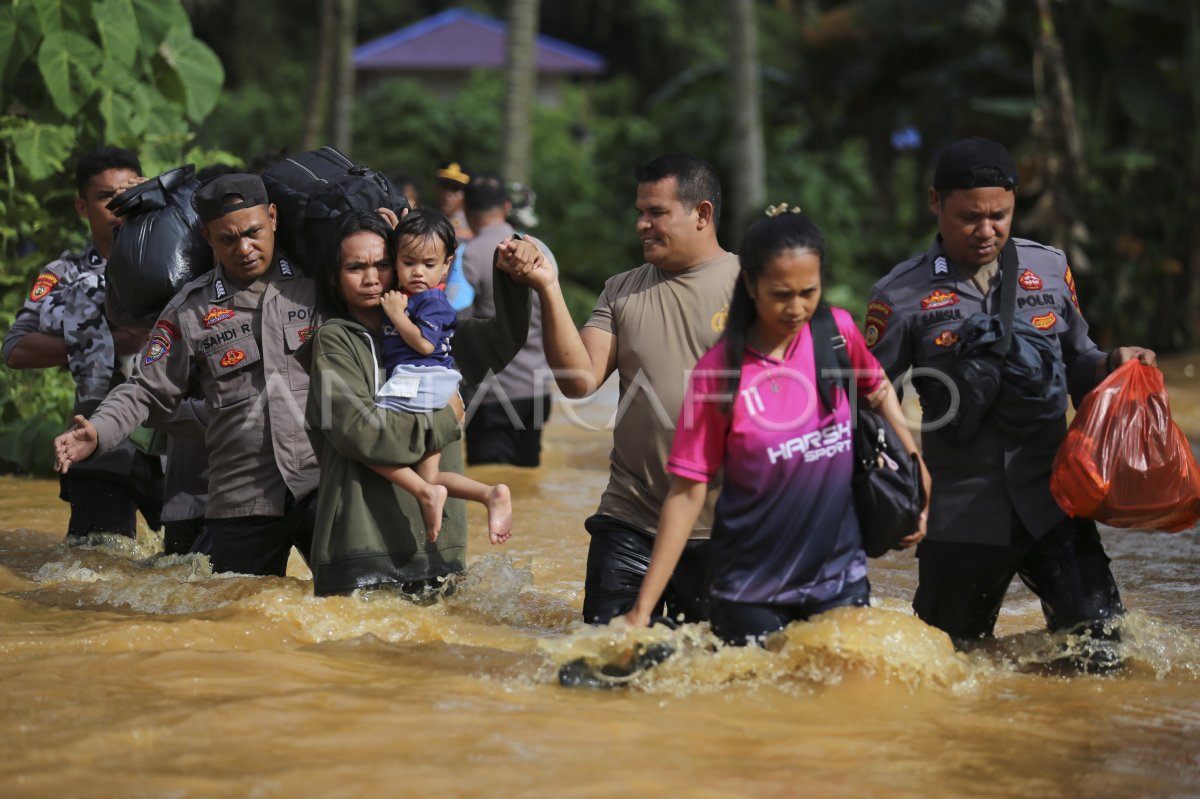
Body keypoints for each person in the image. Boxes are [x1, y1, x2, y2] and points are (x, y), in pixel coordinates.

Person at [866, 137, 1156, 666]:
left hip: (1053, 503)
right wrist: (895, 492)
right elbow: (868, 396)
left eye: (999, 215)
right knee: (946, 664)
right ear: (936, 203)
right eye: (969, 217)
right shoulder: (900, 294)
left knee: (1104, 654)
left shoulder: (1048, 269)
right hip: (961, 515)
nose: (986, 230)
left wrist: (1114, 363)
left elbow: (1079, 360)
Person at [622, 208, 929, 643]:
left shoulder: (837, 332)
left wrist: (917, 469)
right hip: (750, 591)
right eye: (781, 294)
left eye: (810, 291)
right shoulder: (720, 373)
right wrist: (642, 609)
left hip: (839, 579)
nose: (797, 307)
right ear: (750, 286)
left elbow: (877, 390)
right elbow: (688, 491)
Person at [53, 173, 320, 577]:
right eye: (228, 239)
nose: (244, 248)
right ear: (207, 238)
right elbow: (145, 389)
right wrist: (98, 430)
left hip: (321, 487)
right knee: (238, 619)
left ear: (273, 217)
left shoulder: (319, 283)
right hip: (243, 501)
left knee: (363, 606)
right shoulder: (189, 310)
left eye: (253, 232)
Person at [532, 153, 740, 624]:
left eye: (657, 213)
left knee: (709, 677)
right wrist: (548, 288)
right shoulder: (621, 290)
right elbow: (578, 380)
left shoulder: (754, 288)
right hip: (631, 518)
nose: (642, 225)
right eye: (639, 212)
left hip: (724, 527)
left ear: (702, 214)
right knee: (605, 658)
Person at [300, 209, 544, 596]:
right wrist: (445, 420)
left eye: (382, 264)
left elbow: (503, 339)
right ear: (333, 276)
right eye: (354, 267)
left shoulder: (437, 337)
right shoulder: (335, 340)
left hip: (438, 546)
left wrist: (513, 275)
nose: (372, 278)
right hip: (362, 548)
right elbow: (360, 433)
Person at [3, 146, 162, 542]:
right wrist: (101, 339)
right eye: (105, 196)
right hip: (96, 436)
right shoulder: (64, 274)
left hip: (175, 439)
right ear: (82, 206)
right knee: (97, 571)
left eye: (128, 192)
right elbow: (15, 349)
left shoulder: (177, 258)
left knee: (198, 573)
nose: (118, 204)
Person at [371, 209, 513, 543]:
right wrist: (397, 232)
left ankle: (427, 494)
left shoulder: (433, 301)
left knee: (365, 444)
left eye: (429, 264)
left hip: (422, 382)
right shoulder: (412, 293)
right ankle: (488, 494)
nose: (418, 272)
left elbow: (422, 344)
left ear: (447, 266)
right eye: (408, 262)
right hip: (429, 385)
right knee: (431, 475)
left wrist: (394, 313)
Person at [459, 174, 558, 467]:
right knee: (525, 482)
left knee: (492, 489)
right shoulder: (541, 249)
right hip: (538, 389)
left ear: (465, 210)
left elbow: (454, 323)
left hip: (491, 396)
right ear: (505, 207)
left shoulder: (468, 255)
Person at [433, 161, 473, 244]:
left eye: (455, 189)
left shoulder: (472, 226)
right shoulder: (423, 220)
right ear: (435, 188)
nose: (448, 195)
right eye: (444, 187)